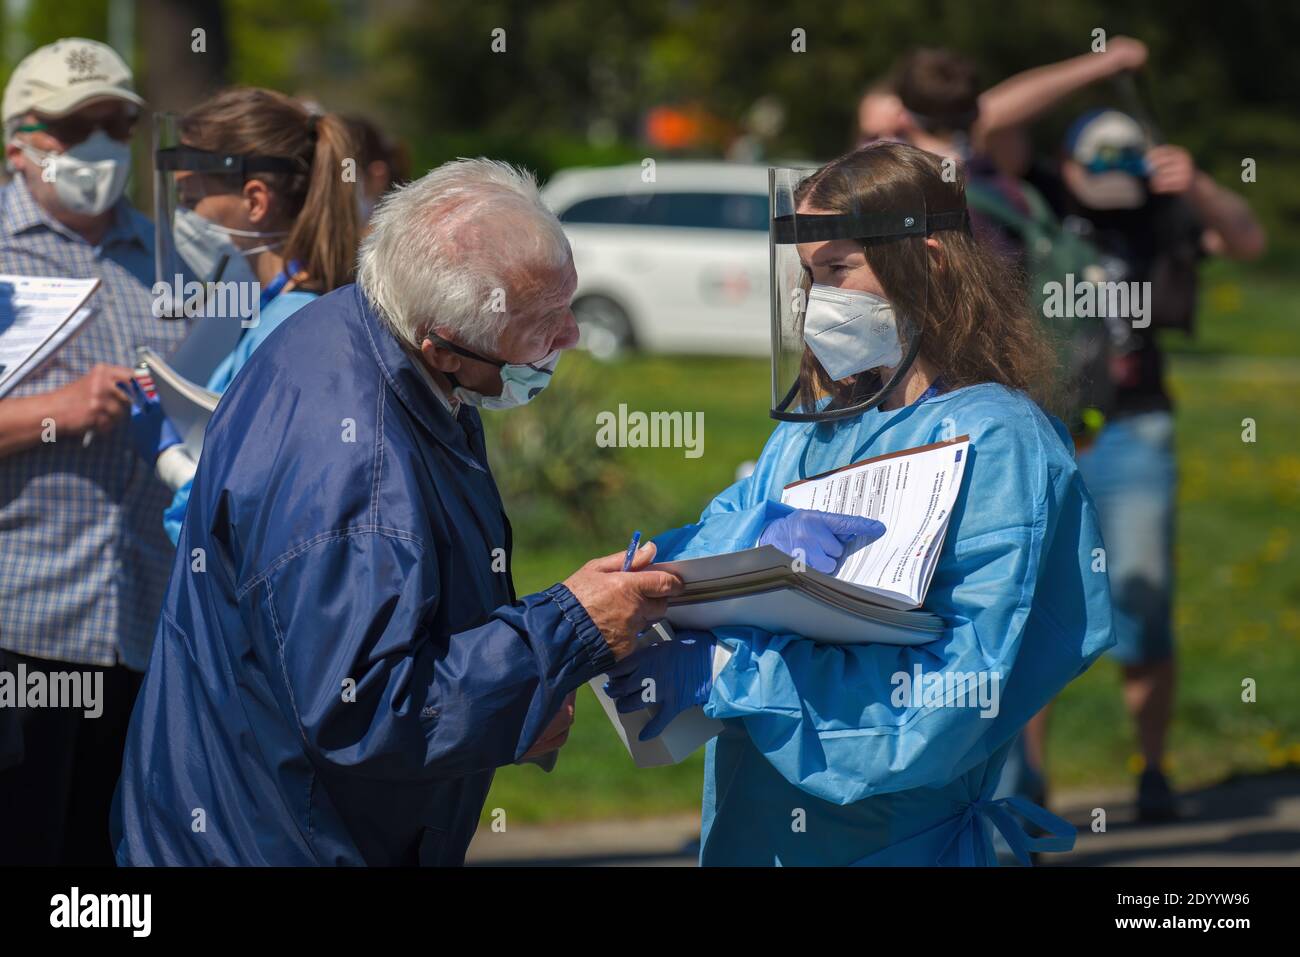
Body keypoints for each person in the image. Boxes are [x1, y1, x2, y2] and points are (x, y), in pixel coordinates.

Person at [111, 158, 684, 865]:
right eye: (541, 323)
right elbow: (366, 707)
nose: (569, 336)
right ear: (443, 347)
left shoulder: (367, 331)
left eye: (566, 304)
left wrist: (513, 703)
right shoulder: (360, 465)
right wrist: (571, 625)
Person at [606, 143, 1114, 865]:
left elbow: (952, 698)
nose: (817, 301)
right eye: (808, 277)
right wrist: (697, 567)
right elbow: (713, 540)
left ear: (930, 262)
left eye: (837, 269)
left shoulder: (1003, 442)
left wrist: (730, 672)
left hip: (897, 843)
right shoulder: (820, 426)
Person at [0, 38, 189, 866]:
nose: (101, 146)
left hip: (142, 626)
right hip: (21, 623)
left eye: (117, 123)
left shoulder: (172, 257)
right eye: (76, 128)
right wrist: (54, 410)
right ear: (20, 143)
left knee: (107, 870)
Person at [124, 87, 361, 543]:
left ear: (255, 201)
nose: (183, 218)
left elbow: (250, 517)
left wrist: (169, 456)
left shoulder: (294, 329)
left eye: (190, 198)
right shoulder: (283, 310)